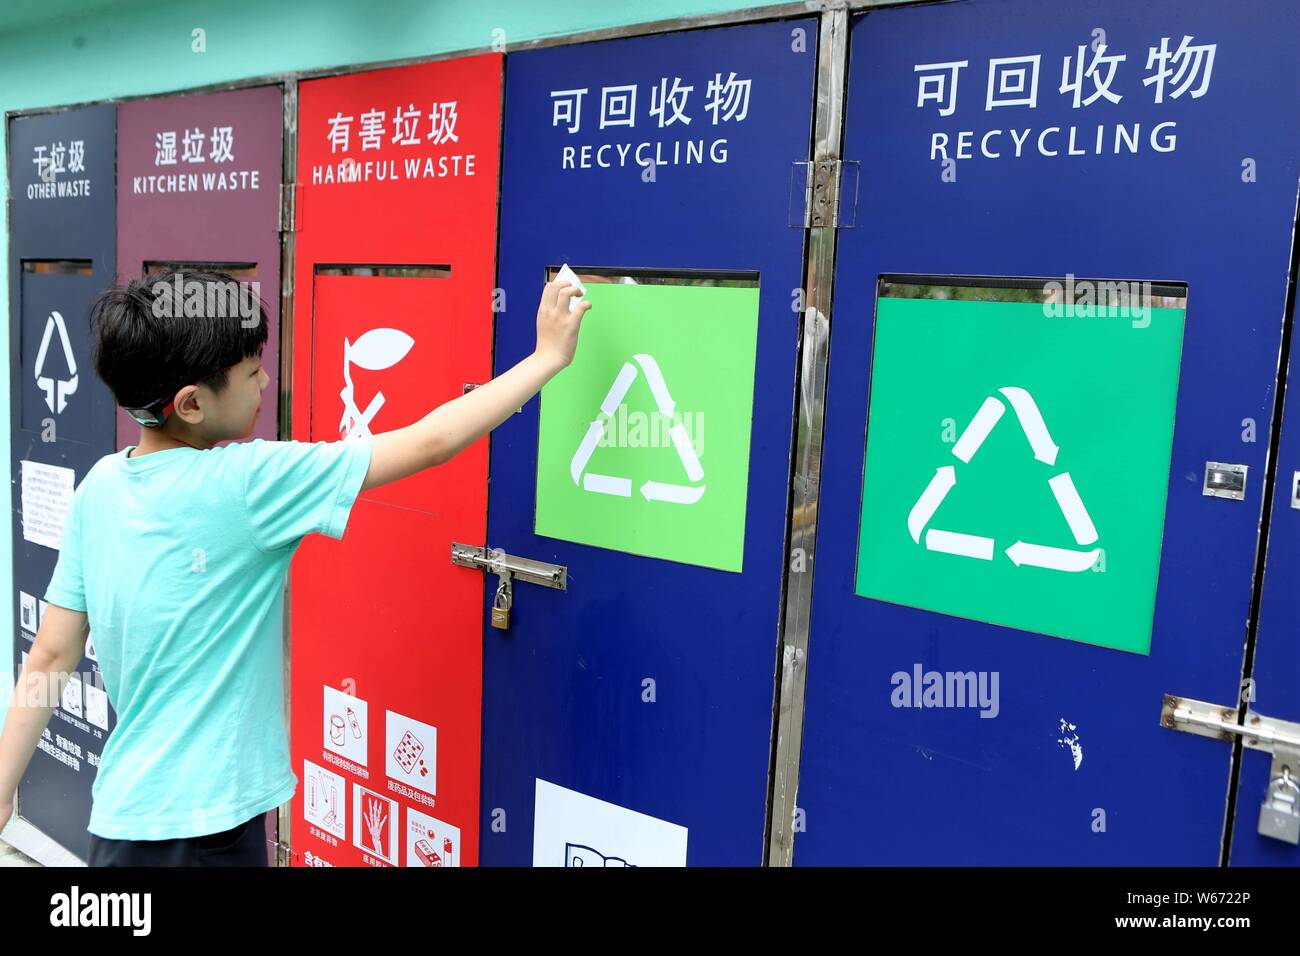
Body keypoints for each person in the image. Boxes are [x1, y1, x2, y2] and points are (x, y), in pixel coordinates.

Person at [0, 268, 590, 865]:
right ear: (192, 403)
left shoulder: (100, 486)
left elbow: (50, 655)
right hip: (209, 831)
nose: (265, 382)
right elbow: (430, 442)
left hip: (122, 819)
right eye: (252, 373)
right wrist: (547, 358)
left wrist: (2, 791)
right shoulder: (247, 483)